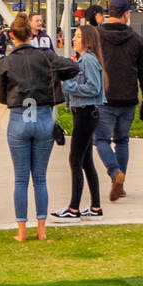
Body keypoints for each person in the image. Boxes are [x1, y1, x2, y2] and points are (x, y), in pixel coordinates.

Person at [0, 14, 73, 242]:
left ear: (12, 36)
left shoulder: (7, 62)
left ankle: (21, 230)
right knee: (40, 178)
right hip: (42, 117)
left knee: (21, 179)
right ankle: (42, 228)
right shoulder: (45, 57)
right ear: (31, 34)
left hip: (20, 117)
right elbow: (72, 67)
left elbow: (1, 96)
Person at [96, 0, 143, 202]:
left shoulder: (97, 37)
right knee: (122, 141)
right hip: (128, 99)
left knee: (101, 139)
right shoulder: (137, 40)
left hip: (104, 98)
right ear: (126, 14)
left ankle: (114, 172)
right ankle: (119, 186)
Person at [53, 25, 106, 221]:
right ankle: (95, 207)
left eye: (77, 36)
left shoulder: (89, 60)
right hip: (82, 113)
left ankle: (74, 209)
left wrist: (67, 86)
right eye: (73, 35)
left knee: (75, 159)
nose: (73, 39)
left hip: (86, 114)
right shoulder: (82, 60)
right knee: (86, 161)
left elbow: (93, 88)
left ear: (88, 41)